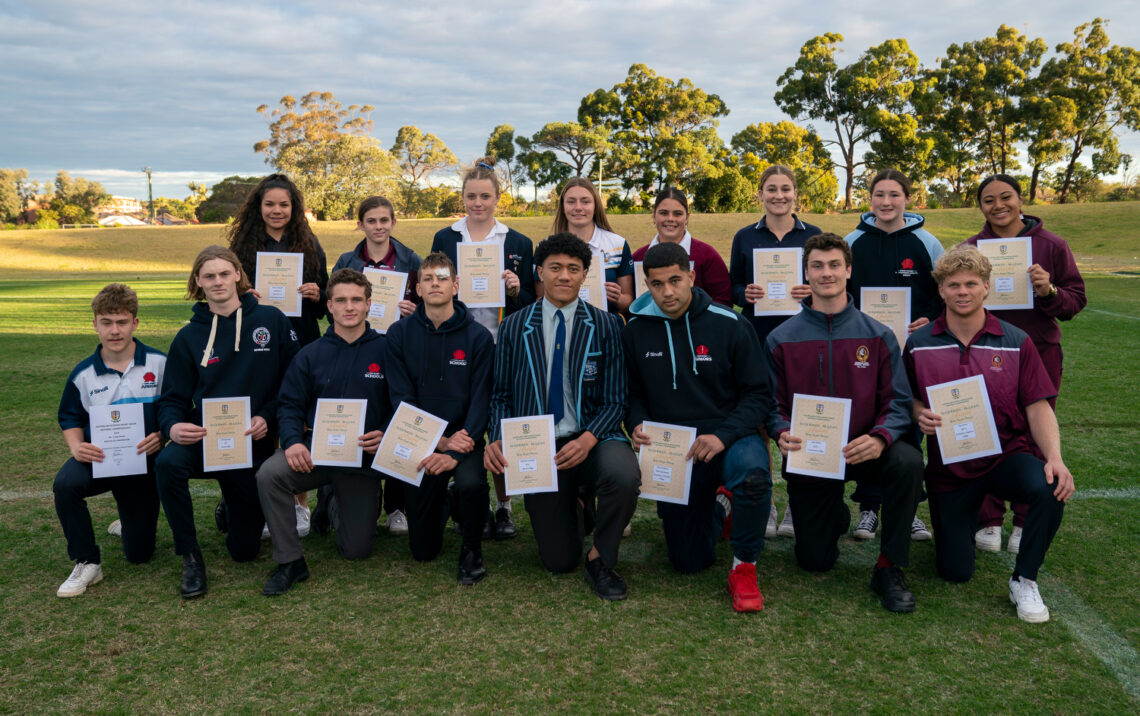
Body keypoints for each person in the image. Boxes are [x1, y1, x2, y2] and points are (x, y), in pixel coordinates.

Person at [905, 245, 1073, 623]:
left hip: (1005, 456)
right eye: (953, 285)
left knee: (1050, 485)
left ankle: (1024, 579)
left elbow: (1037, 405)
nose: (962, 292)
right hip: (950, 468)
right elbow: (907, 398)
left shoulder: (1015, 340)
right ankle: (962, 530)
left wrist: (1055, 458)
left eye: (971, 283)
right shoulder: (919, 342)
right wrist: (920, 413)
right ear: (941, 290)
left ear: (986, 287)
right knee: (956, 572)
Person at [765, 233, 924, 613]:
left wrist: (881, 438)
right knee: (814, 561)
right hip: (814, 454)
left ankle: (889, 567)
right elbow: (771, 403)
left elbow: (898, 401)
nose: (827, 273)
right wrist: (781, 430)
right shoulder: (780, 338)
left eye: (835, 265)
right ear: (806, 272)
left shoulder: (879, 334)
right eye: (817, 266)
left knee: (907, 461)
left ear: (848, 270)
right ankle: (833, 514)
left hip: (867, 447)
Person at [484, 233, 640, 601]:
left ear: (585, 274)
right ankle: (579, 504)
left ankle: (600, 558)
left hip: (594, 436)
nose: (564, 276)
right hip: (540, 445)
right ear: (539, 272)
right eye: (555, 268)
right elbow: (501, 395)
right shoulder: (513, 327)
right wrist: (498, 437)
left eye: (573, 268)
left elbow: (616, 400)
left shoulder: (607, 325)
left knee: (623, 474)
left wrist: (587, 440)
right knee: (558, 560)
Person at [623, 242, 773, 612]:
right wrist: (636, 424)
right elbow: (633, 393)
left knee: (753, 475)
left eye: (675, 280)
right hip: (676, 450)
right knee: (688, 561)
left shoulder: (731, 324)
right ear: (647, 284)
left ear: (691, 276)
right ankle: (722, 506)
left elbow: (758, 395)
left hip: (730, 437)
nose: (667, 292)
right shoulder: (635, 330)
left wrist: (722, 435)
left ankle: (744, 567)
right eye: (657, 284)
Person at [156, 245, 299, 598]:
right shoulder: (188, 336)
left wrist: (267, 416)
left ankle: (230, 504)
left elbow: (292, 383)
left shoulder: (271, 320)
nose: (217, 281)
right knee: (168, 463)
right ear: (198, 282)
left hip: (251, 442)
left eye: (224, 273)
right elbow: (172, 398)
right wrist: (172, 427)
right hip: (206, 438)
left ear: (237, 274)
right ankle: (190, 556)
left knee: (244, 551)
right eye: (209, 276)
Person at [963, 174, 1086, 554]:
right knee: (985, 429)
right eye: (988, 200)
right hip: (984, 352)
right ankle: (988, 518)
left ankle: (1024, 520)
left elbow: (1075, 301)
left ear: (1021, 199)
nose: (998, 206)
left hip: (1039, 352)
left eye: (1006, 197)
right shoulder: (971, 249)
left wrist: (1048, 291)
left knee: (1035, 433)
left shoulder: (1052, 245)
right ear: (980, 207)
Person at [255, 269, 392, 595]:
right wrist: (292, 443)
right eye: (341, 300)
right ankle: (290, 561)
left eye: (356, 300)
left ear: (369, 304)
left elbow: (403, 402)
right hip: (315, 451)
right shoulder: (310, 354)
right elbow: (289, 405)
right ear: (329, 306)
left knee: (356, 549)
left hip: (362, 458)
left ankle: (331, 499)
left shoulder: (387, 351)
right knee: (270, 474)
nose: (349, 307)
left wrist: (386, 431)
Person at [431, 157, 536, 540]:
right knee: (462, 423)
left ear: (497, 198)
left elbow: (531, 303)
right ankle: (469, 500)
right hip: (457, 347)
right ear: (462, 197)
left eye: (485, 196)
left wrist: (515, 289)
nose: (478, 203)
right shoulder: (446, 237)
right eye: (471, 196)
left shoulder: (518, 242)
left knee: (502, 427)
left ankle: (505, 506)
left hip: (502, 346)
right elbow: (435, 286)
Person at [843, 168, 943, 544]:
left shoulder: (927, 243)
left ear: (908, 199)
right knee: (867, 421)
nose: (886, 202)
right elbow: (838, 290)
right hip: (863, 351)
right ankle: (869, 507)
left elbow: (944, 292)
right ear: (870, 200)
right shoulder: (852, 241)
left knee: (909, 422)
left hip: (910, 351)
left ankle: (908, 508)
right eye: (879, 195)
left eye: (894, 195)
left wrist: (929, 319)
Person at [227, 173, 329, 536]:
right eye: (269, 204)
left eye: (284, 204)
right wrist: (244, 297)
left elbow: (324, 307)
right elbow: (226, 299)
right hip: (258, 344)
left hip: (301, 342)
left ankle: (300, 505)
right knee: (264, 420)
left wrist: (317, 294)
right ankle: (264, 503)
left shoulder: (309, 243)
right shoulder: (242, 247)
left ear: (294, 208)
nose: (276, 210)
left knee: (298, 420)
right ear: (258, 207)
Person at [385, 253, 494, 584]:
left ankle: (472, 549)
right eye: (428, 279)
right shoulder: (398, 334)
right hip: (421, 440)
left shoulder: (479, 337)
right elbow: (401, 399)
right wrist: (439, 442)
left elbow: (481, 401)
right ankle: (446, 499)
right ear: (418, 289)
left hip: (465, 439)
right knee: (423, 551)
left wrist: (456, 451)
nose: (435, 284)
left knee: (471, 482)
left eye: (443, 278)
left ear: (455, 285)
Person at [53, 283, 165, 597]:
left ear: (135, 323)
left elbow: (178, 408)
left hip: (143, 464)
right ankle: (87, 561)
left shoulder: (160, 364)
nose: (115, 331)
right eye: (106, 322)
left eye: (122, 322)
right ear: (95, 325)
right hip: (100, 460)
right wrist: (77, 446)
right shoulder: (83, 374)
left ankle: (129, 523)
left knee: (139, 555)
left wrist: (162, 435)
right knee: (65, 484)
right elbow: (70, 417)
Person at [728, 165, 822, 539]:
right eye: (771, 189)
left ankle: (799, 503)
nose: (779, 195)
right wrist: (745, 293)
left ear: (796, 193)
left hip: (805, 339)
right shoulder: (744, 236)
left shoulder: (814, 235)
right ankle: (764, 502)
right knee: (761, 419)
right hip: (758, 337)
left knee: (800, 417)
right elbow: (734, 287)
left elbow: (829, 282)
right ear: (760, 194)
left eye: (785, 189)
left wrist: (812, 292)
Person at [332, 195, 423, 536]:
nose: (379, 226)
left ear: (393, 222)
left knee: (398, 415)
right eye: (371, 221)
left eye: (384, 220)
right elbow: (335, 303)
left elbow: (427, 303)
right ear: (360, 224)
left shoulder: (411, 260)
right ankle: (340, 495)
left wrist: (414, 312)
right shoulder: (347, 260)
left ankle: (397, 507)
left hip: (398, 348)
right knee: (360, 416)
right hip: (358, 346)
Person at [632, 187, 731, 307]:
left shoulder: (707, 256)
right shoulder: (638, 257)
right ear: (653, 216)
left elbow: (723, 300)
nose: (670, 219)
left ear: (687, 217)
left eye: (677, 214)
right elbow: (630, 303)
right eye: (664, 213)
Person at [553, 177, 634, 314]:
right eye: (571, 202)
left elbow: (628, 302)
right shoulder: (548, 247)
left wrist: (618, 298)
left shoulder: (618, 245)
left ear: (596, 206)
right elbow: (539, 299)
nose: (578, 207)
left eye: (585, 201)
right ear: (562, 207)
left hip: (606, 324)